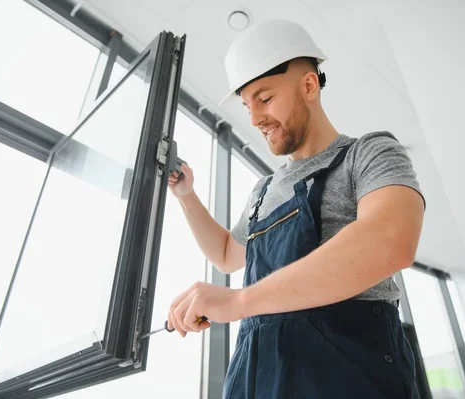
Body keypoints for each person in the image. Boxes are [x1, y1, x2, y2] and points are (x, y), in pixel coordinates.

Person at [166, 19, 425, 398]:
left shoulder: (368, 154)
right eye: (246, 105)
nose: (254, 119)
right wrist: (187, 195)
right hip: (258, 382)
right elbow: (225, 254)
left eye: (265, 98)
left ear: (308, 85)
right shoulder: (263, 190)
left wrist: (240, 302)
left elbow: (390, 240)